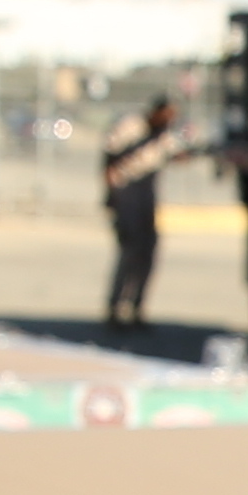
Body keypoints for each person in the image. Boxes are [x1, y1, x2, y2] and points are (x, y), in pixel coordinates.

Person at [96, 93, 185, 325]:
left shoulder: (163, 136)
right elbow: (109, 158)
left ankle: (137, 307)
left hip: (147, 197)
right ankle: (115, 307)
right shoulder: (131, 127)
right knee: (129, 253)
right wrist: (110, 195)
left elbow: (175, 154)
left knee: (148, 253)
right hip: (126, 195)